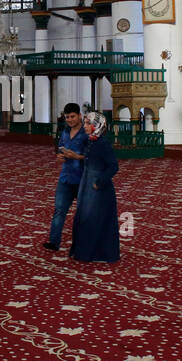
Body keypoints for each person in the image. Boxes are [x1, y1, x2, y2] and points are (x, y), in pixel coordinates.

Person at [70, 111, 121, 263]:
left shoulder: (102, 143)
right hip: (87, 185)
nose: (84, 126)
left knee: (96, 219)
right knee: (84, 217)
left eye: (87, 123)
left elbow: (113, 167)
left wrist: (99, 182)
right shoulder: (91, 141)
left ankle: (99, 254)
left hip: (99, 188)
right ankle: (85, 252)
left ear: (96, 126)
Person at [43, 103, 88, 251]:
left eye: (72, 116)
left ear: (79, 115)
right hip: (65, 178)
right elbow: (61, 148)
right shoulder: (64, 132)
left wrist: (77, 156)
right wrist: (60, 156)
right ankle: (54, 242)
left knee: (84, 213)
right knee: (59, 210)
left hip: (83, 179)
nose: (69, 119)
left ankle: (84, 244)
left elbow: (93, 156)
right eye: (67, 117)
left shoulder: (86, 133)